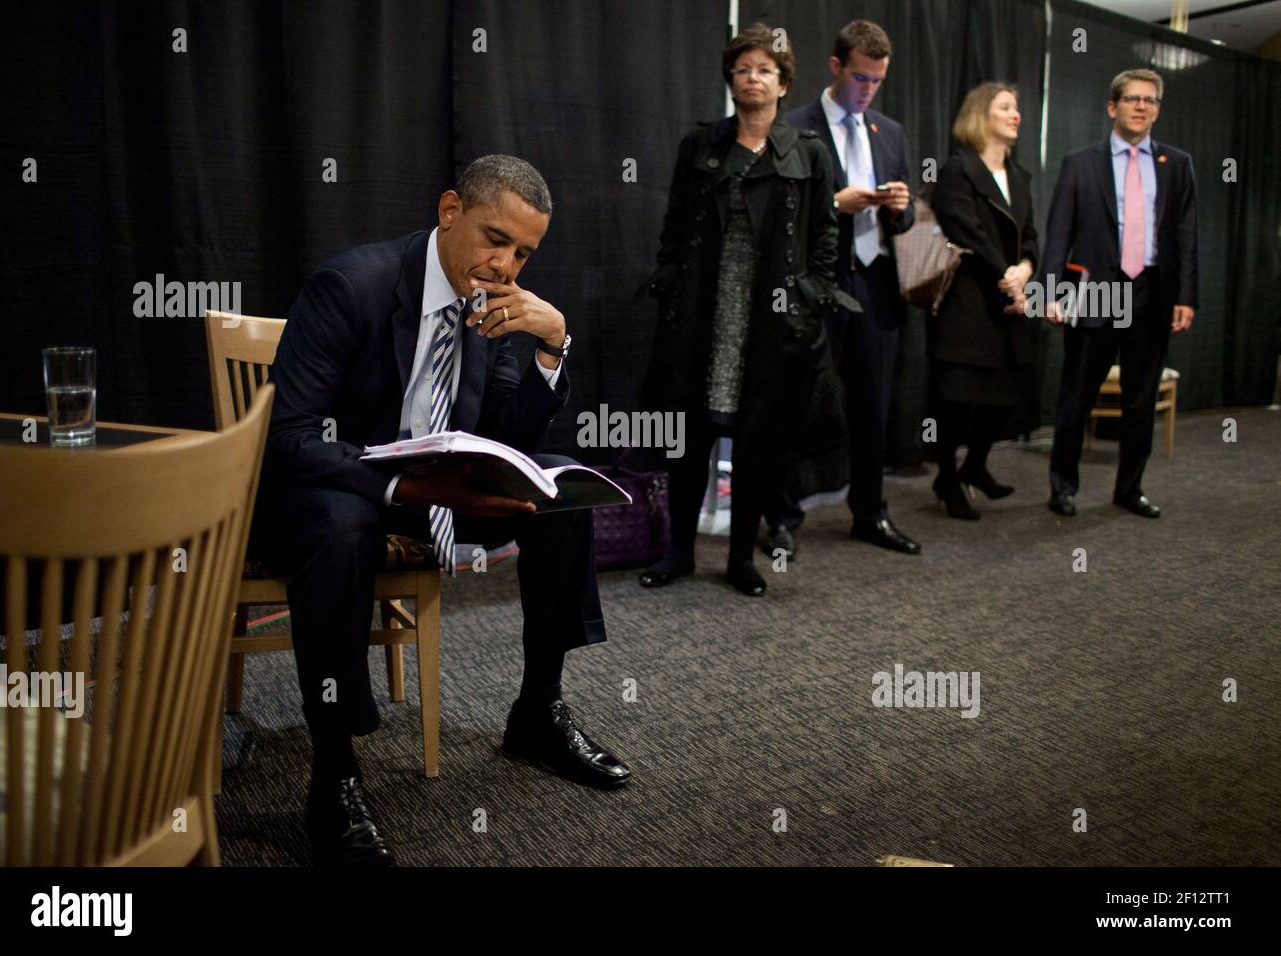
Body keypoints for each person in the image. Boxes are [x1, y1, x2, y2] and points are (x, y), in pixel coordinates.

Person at [254, 155, 630, 867]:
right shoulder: (352, 286)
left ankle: (538, 711)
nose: (504, 264)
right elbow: (289, 439)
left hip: (439, 487)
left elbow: (510, 438)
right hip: (344, 493)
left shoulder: (493, 306)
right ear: (450, 209)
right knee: (340, 526)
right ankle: (333, 774)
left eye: (523, 253)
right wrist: (415, 489)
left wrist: (553, 345)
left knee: (558, 493)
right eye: (494, 238)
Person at [637, 23, 848, 598]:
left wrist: (812, 300)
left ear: (783, 84)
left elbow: (826, 234)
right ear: (730, 78)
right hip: (704, 309)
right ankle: (678, 552)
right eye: (743, 69)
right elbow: (675, 225)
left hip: (772, 317)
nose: (753, 78)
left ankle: (739, 560)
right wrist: (670, 287)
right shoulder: (700, 145)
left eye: (765, 70)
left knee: (759, 437)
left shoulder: (808, 152)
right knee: (689, 433)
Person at [775, 19, 921, 557]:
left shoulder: (891, 131)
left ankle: (871, 513)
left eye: (877, 81)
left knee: (874, 406)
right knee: (799, 400)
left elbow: (903, 229)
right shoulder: (794, 125)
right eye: (860, 78)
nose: (867, 90)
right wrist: (836, 204)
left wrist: (901, 209)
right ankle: (781, 515)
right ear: (836, 67)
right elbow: (782, 217)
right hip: (818, 286)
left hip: (877, 284)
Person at [1041, 68, 1199, 518]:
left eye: (1149, 100)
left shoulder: (1178, 164)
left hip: (1151, 292)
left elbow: (1187, 236)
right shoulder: (1080, 163)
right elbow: (1058, 234)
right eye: (1132, 99)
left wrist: (1186, 296)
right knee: (1077, 395)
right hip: (1095, 292)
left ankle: (1130, 488)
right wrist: (1050, 294)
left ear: (1157, 110)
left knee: (1140, 399)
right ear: (1113, 107)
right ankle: (1063, 487)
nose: (1141, 106)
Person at [928, 83, 1039, 520]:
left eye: (1017, 108)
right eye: (1005, 107)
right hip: (968, 301)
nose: (1016, 115)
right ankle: (946, 478)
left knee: (1005, 395)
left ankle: (975, 466)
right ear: (981, 115)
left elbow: (1030, 236)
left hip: (1011, 299)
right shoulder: (957, 169)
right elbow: (966, 229)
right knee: (957, 398)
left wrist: (1026, 270)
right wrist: (1008, 278)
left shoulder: (1022, 176)